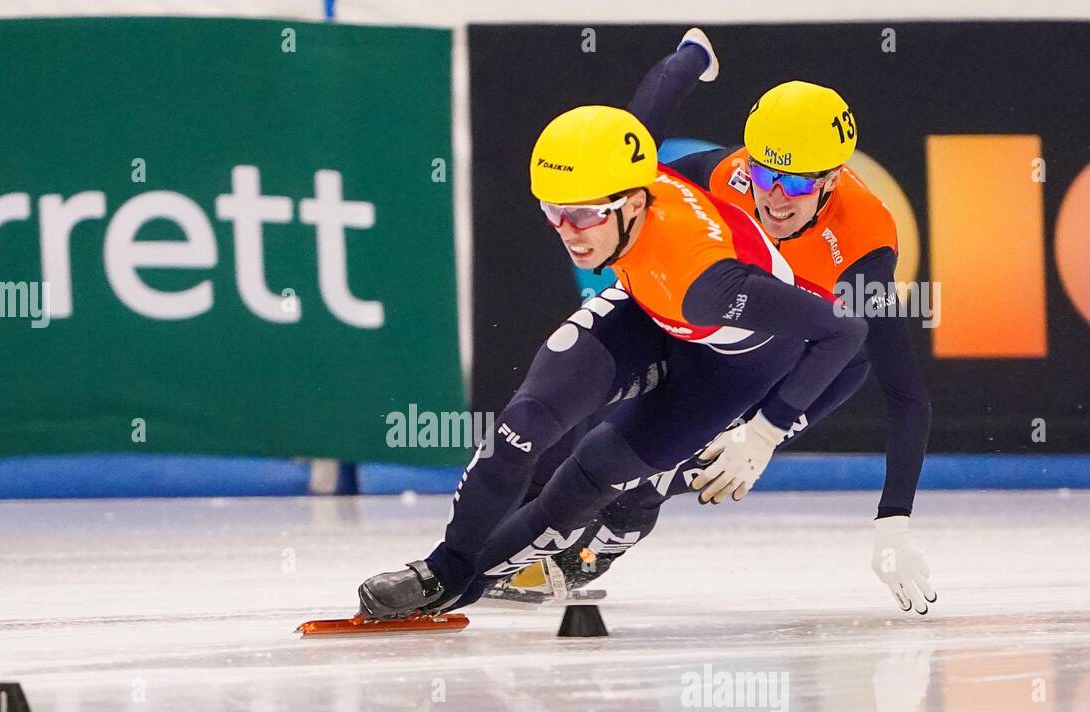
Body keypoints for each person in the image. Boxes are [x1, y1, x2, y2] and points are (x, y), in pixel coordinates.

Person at [355, 35, 868, 622]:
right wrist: (692, 55)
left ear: (632, 204)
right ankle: (442, 572)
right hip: (650, 308)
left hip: (729, 372)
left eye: (584, 215)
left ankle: (481, 580)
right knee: (525, 422)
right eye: (554, 212)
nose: (569, 232)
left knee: (591, 476)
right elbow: (654, 99)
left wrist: (767, 430)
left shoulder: (710, 280)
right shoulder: (623, 165)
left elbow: (844, 333)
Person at [542, 54, 935, 615]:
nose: (773, 197)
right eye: (766, 174)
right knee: (612, 424)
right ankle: (542, 533)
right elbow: (630, 170)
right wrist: (686, 61)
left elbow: (906, 391)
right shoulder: (729, 172)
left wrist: (892, 521)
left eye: (795, 181)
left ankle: (593, 551)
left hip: (815, 362)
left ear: (831, 180)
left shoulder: (865, 242)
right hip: (732, 326)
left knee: (683, 468)